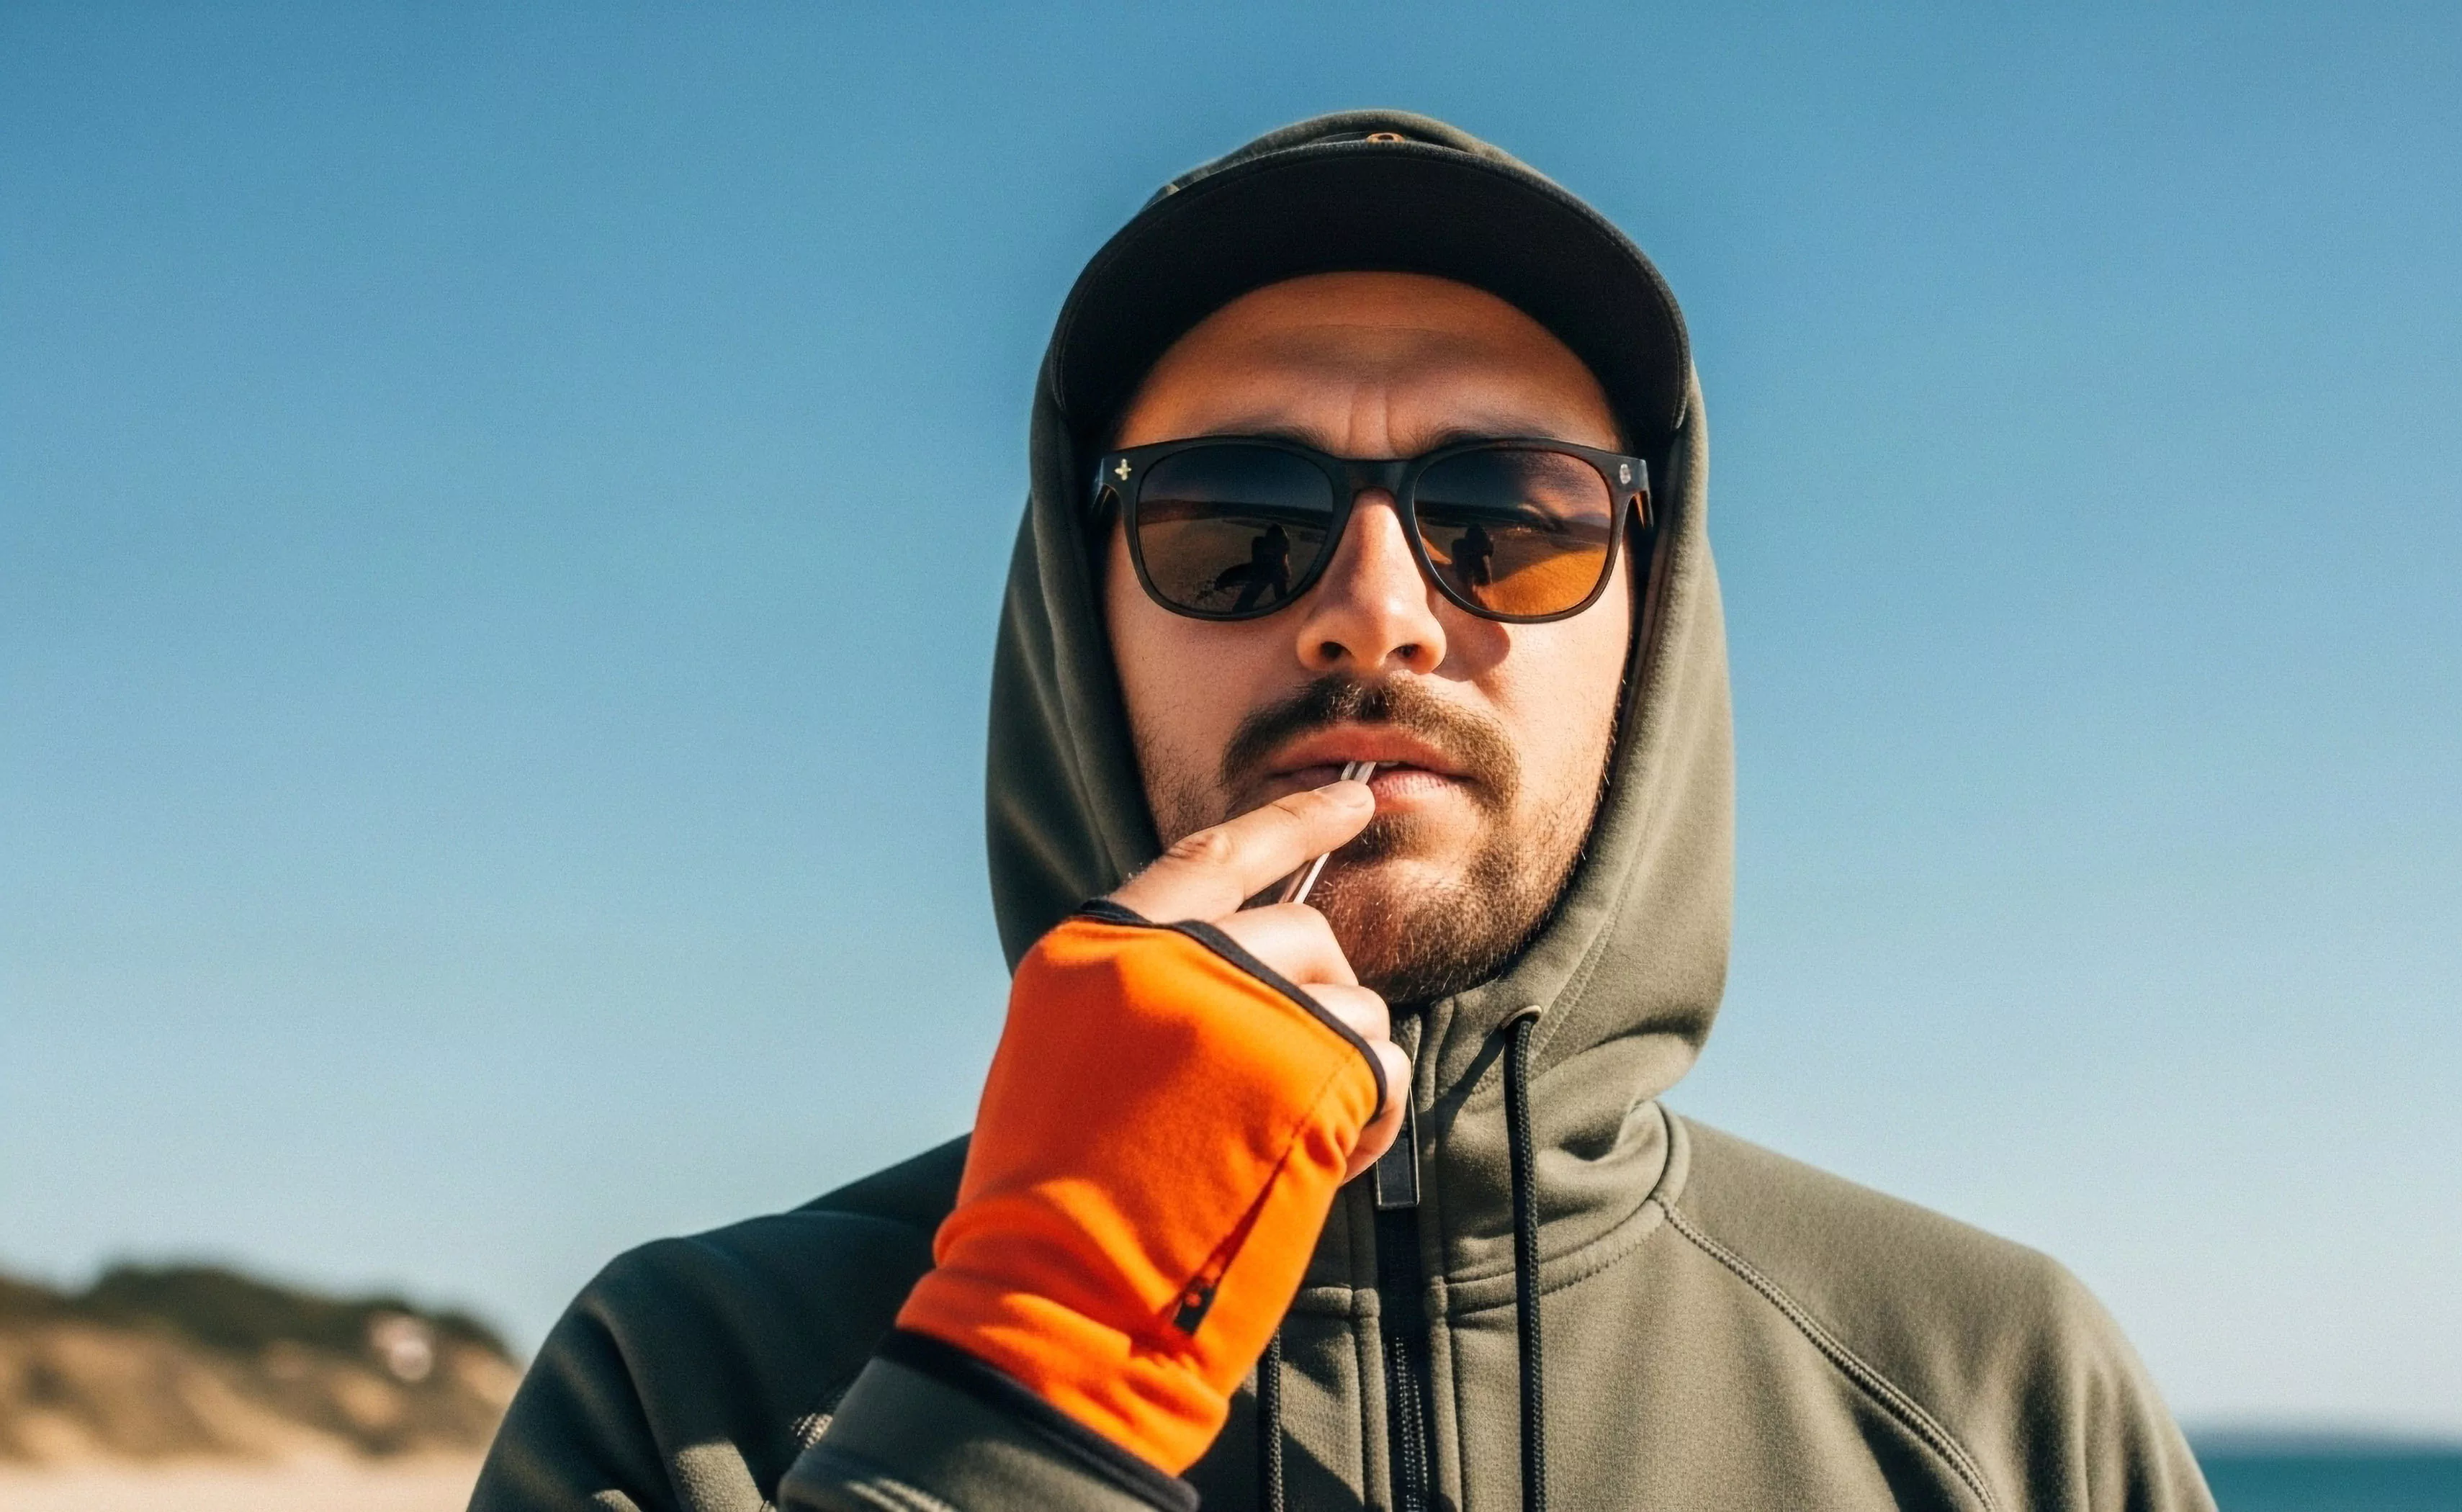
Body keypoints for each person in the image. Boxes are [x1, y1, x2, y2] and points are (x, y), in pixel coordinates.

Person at [471, 111, 2213, 1512]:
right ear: (1081, 628)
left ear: (1654, 632)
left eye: (1510, 519)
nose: (1373, 609)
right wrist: (1020, 1390)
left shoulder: (1995, 1395)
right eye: (1230, 518)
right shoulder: (690, 1385)